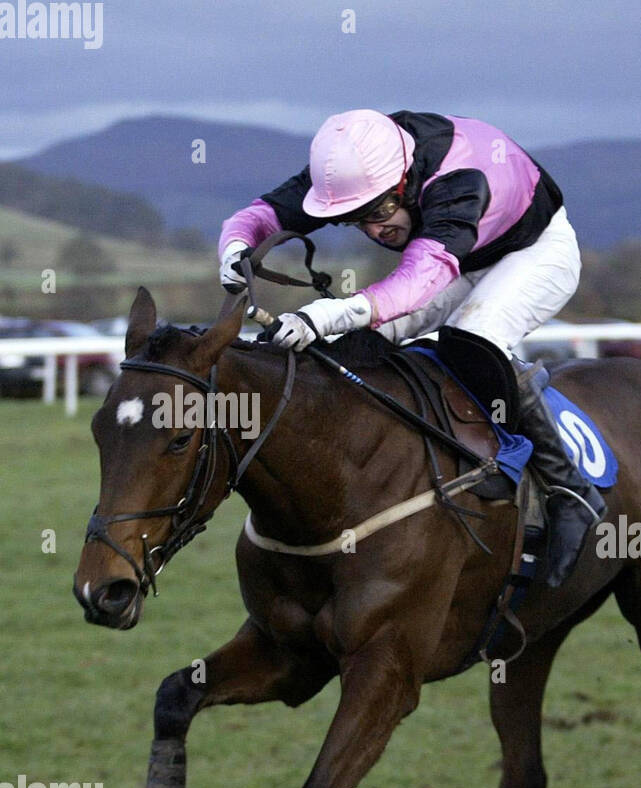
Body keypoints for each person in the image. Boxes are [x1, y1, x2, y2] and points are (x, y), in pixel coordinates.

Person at [217, 108, 603, 587]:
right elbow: (262, 214)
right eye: (354, 220)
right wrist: (235, 247)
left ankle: (570, 490)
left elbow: (419, 282)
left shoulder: (460, 183)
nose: (375, 231)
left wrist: (326, 314)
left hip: (533, 251)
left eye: (378, 212)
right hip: (458, 256)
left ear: (402, 181)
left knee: (475, 337)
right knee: (356, 346)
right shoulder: (352, 162)